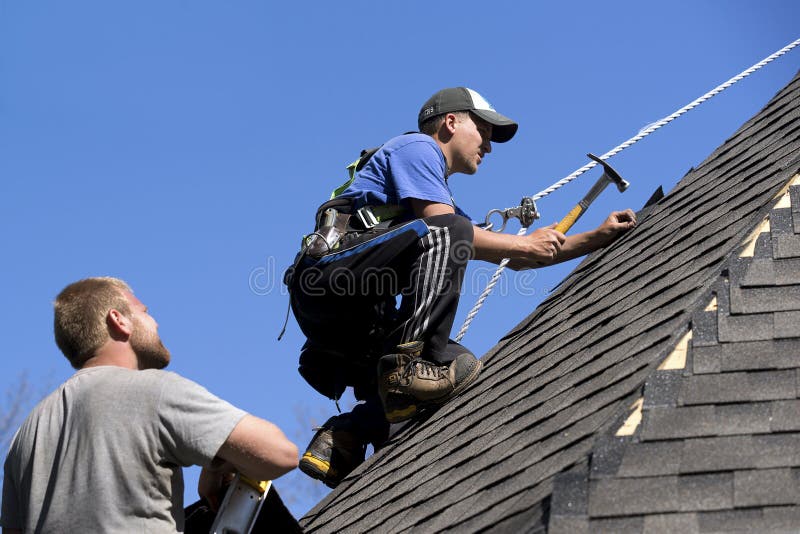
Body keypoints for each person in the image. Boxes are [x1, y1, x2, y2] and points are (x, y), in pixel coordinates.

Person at [287, 87, 636, 488]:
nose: (488, 145)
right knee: (448, 234)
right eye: (484, 131)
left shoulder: (439, 212)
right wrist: (523, 241)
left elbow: (517, 257)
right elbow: (451, 231)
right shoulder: (416, 149)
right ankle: (406, 366)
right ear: (451, 122)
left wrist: (597, 237)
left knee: (459, 367)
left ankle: (345, 435)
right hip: (329, 277)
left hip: (349, 318)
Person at [1, 277, 298, 533]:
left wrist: (216, 459)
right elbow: (280, 454)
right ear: (119, 320)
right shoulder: (153, 390)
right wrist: (220, 464)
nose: (155, 322)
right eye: (145, 312)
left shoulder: (25, 438)